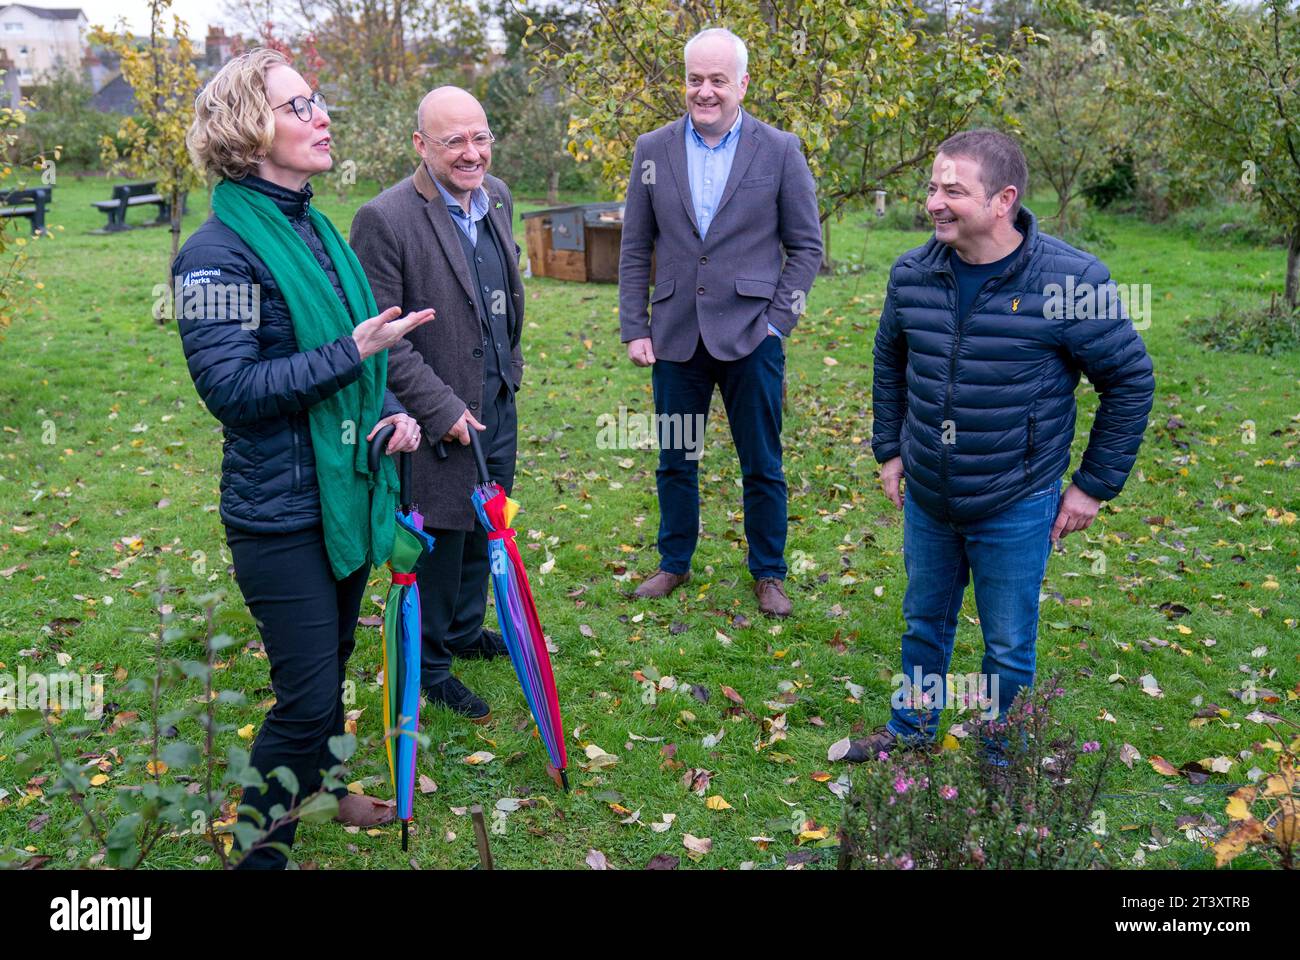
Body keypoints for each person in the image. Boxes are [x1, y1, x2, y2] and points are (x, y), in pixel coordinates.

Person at [175, 48, 434, 867]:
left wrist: (391, 413)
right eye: (298, 106)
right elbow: (233, 388)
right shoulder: (212, 254)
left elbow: (363, 361)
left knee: (335, 659)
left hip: (349, 492)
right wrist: (353, 359)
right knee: (307, 694)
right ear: (248, 130)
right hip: (279, 512)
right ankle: (261, 854)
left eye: (316, 100)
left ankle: (320, 787)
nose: (321, 116)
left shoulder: (318, 231)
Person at [840, 129, 1154, 763]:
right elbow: (888, 358)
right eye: (931, 186)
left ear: (1004, 199)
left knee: (1008, 643)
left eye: (953, 190)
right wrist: (891, 450)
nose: (934, 201)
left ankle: (1000, 755)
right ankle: (911, 733)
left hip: (1017, 496)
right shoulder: (913, 272)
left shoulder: (1072, 281)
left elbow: (1128, 381)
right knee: (923, 625)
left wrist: (1093, 486)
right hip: (930, 490)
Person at [618, 27, 822, 619]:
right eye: (694, 79)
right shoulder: (652, 150)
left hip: (752, 334)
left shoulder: (780, 150)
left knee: (763, 461)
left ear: (742, 84)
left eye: (717, 81)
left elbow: (806, 248)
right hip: (676, 333)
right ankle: (673, 562)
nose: (704, 92)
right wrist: (636, 324)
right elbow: (636, 245)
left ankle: (768, 572)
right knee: (676, 457)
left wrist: (780, 322)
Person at [350, 86, 525, 722]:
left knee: (485, 525)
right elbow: (382, 339)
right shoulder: (385, 219)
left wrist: (508, 374)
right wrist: (440, 408)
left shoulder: (497, 196)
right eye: (454, 141)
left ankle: (461, 630)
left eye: (480, 137)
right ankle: (430, 665)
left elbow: (501, 295)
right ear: (422, 146)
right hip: (436, 412)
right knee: (440, 537)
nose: (471, 153)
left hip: (496, 402)